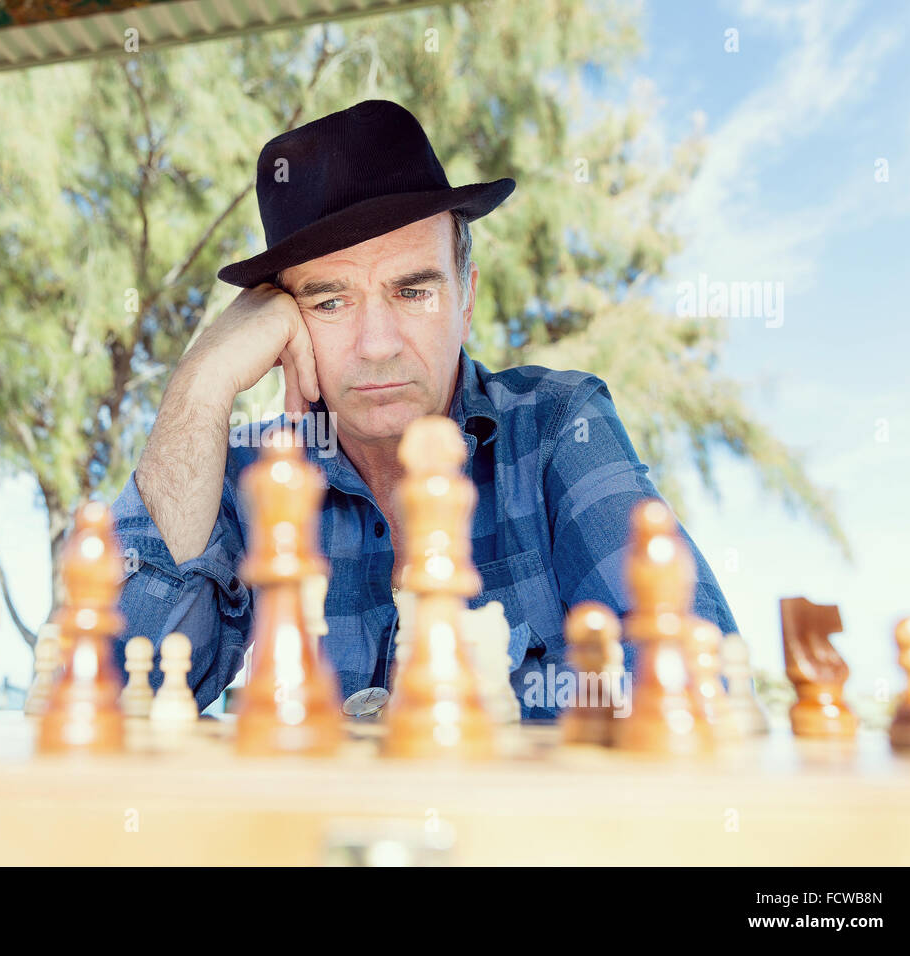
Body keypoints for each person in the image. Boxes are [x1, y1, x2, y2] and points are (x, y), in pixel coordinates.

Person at [109, 99, 737, 717]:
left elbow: (695, 694)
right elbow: (113, 696)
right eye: (330, 302)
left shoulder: (556, 427)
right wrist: (200, 383)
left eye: (413, 290)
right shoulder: (252, 471)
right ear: (279, 325)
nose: (377, 346)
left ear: (466, 299)